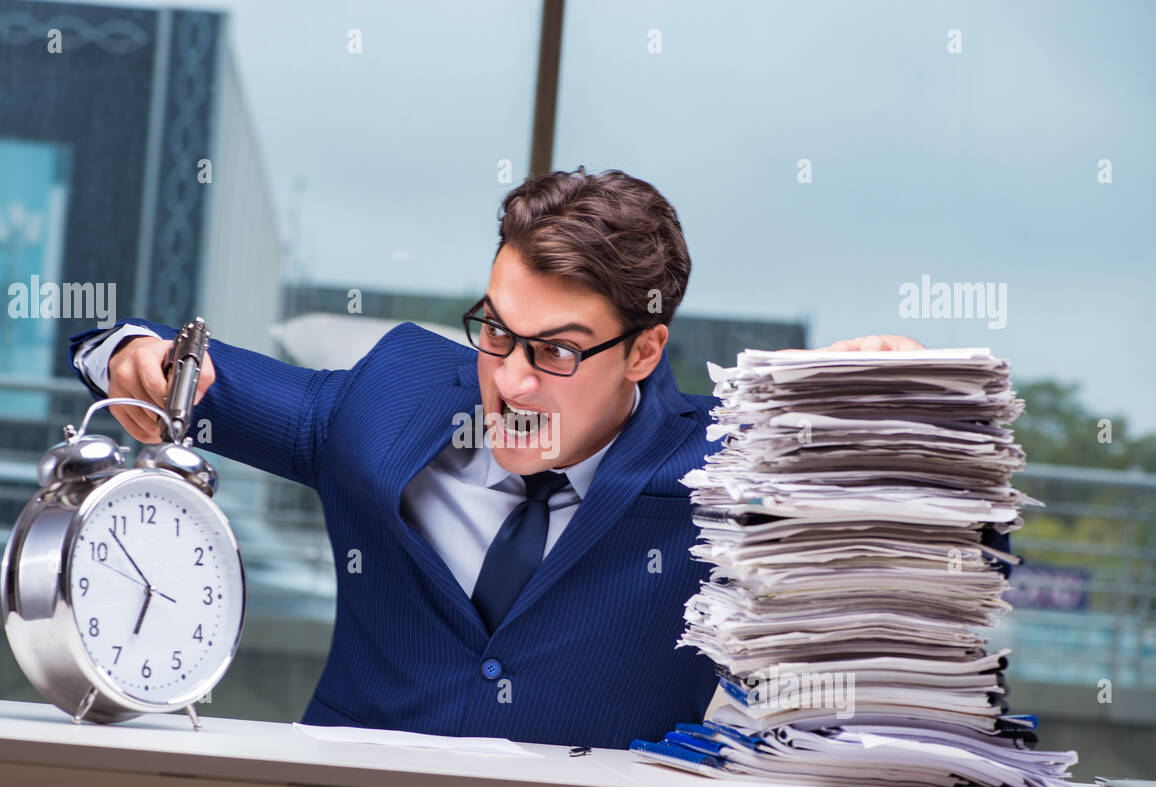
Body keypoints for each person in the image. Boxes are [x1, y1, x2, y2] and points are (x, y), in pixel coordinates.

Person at [68, 167, 924, 749]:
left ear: (643, 351)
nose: (510, 381)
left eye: (556, 351)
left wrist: (889, 411)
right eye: (497, 332)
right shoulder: (391, 399)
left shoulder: (720, 466)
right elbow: (178, 369)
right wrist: (128, 357)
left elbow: (944, 550)